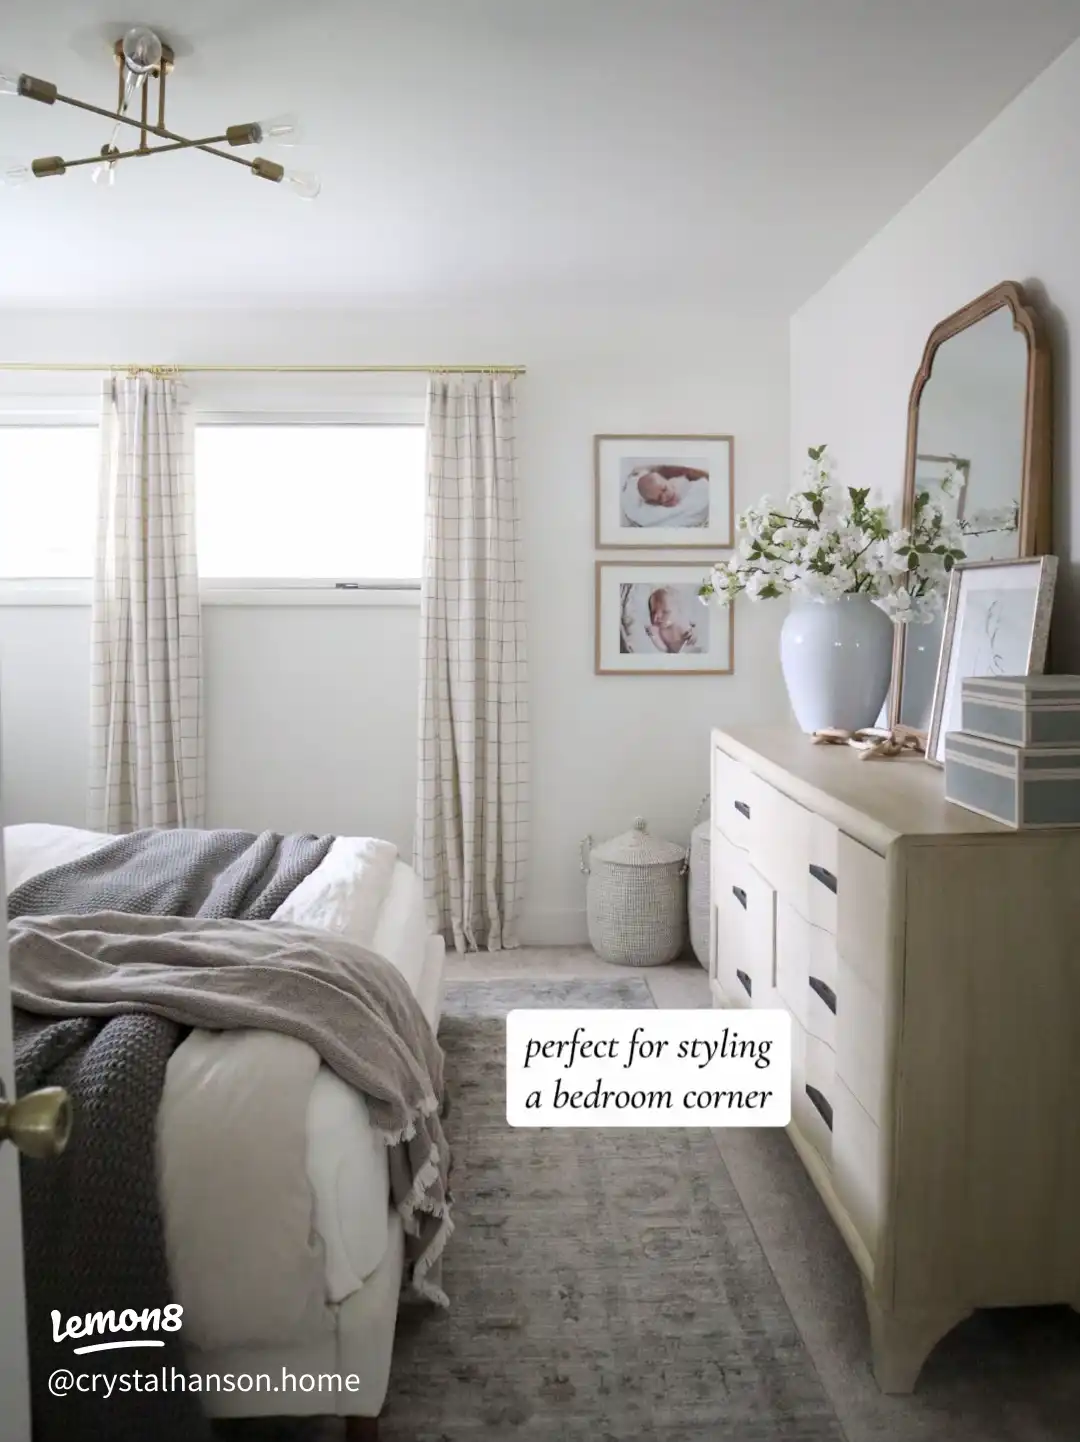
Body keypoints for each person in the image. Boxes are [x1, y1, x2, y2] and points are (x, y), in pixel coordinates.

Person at [645, 587, 698, 653]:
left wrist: (692, 636)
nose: (656, 617)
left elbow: (693, 634)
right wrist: (654, 636)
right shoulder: (657, 631)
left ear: (678, 612)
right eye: (653, 612)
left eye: (665, 612)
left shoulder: (680, 624)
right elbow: (664, 649)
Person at [635, 464, 709, 509]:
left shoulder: (679, 480)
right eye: (659, 498)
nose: (665, 497)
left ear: (668, 480)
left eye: (664, 489)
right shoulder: (665, 504)